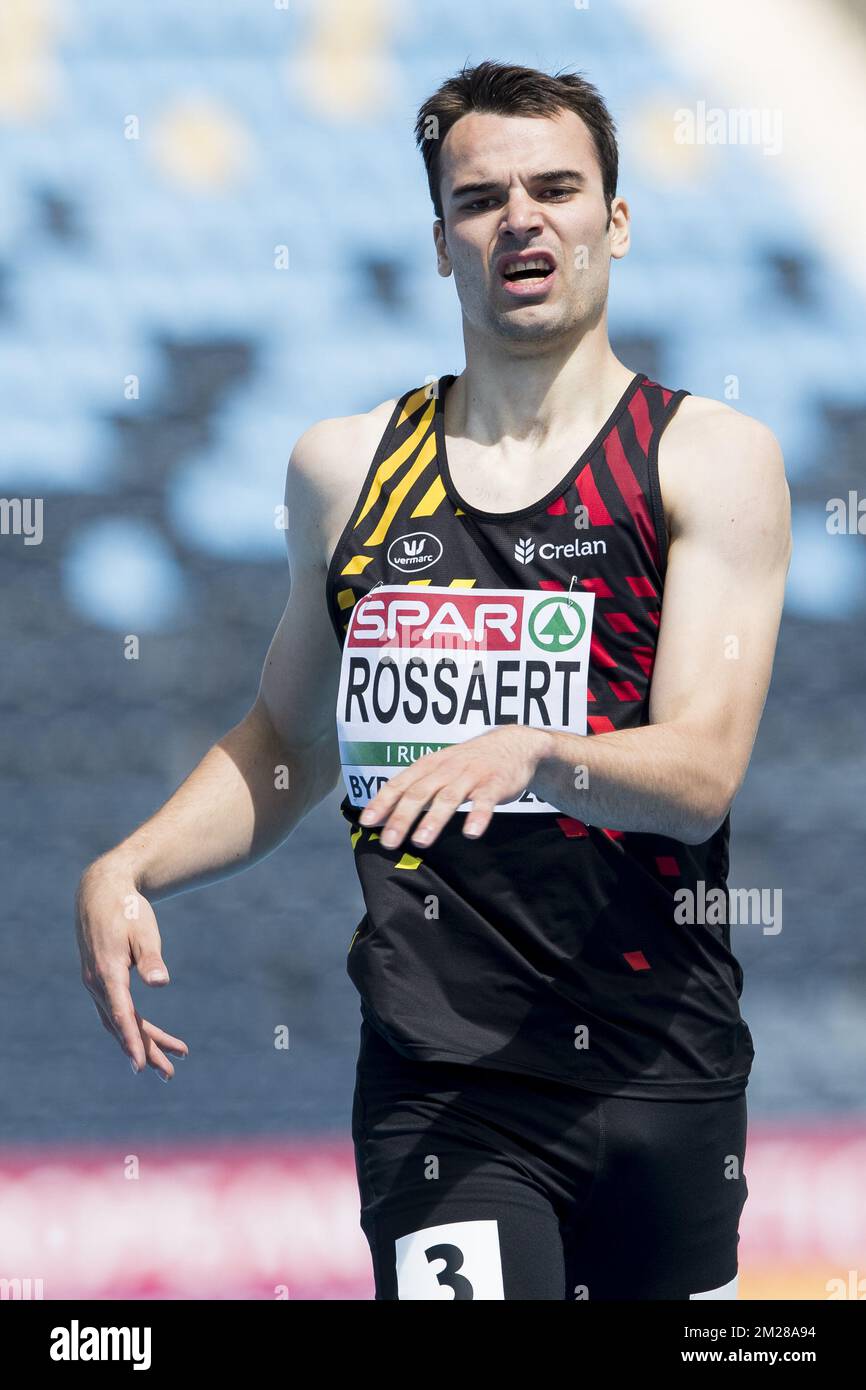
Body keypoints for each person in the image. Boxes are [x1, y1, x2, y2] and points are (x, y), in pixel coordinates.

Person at [76, 60, 792, 1300]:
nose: (520, 217)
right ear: (440, 242)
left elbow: (699, 775)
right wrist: (128, 862)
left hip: (659, 1073)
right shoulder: (346, 469)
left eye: (556, 187)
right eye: (481, 199)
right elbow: (287, 746)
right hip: (442, 1082)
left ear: (613, 221)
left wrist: (537, 749)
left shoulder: (707, 458)